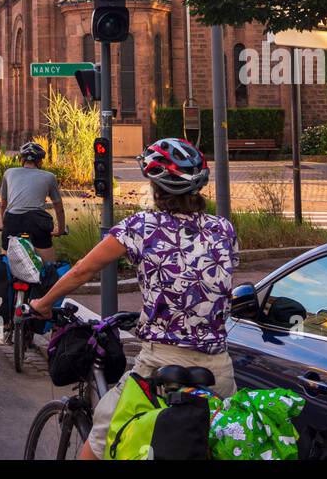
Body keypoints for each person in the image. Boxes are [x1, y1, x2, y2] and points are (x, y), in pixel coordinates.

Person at [30, 136, 238, 460]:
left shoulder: (142, 226)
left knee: (103, 439)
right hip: (219, 370)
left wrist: (42, 304)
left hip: (160, 366)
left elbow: (83, 270)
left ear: (156, 187)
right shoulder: (224, 230)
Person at [0, 140, 66, 262]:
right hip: (37, 221)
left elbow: (3, 204)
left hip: (12, 220)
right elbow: (59, 208)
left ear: (22, 160)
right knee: (49, 267)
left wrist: (3, 222)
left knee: (5, 265)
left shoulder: (9, 173)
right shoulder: (49, 177)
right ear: (40, 161)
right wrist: (60, 230)